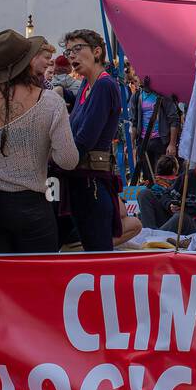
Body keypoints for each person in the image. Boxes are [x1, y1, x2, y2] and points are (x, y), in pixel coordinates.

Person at [0, 30, 78, 254]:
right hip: (32, 207)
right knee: (37, 281)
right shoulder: (50, 102)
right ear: (27, 63)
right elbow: (68, 160)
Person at [60, 29, 122, 252]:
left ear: (97, 52)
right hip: (79, 180)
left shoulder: (104, 85)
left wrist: (55, 160)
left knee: (98, 254)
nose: (72, 56)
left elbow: (85, 139)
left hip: (92, 181)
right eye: (68, 52)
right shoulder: (87, 85)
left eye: (77, 49)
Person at [130, 76, 180, 180]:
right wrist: (131, 143)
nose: (138, 80)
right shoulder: (137, 96)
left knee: (161, 175)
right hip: (143, 142)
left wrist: (172, 144)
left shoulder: (163, 95)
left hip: (160, 141)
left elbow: (174, 120)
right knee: (147, 177)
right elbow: (134, 122)